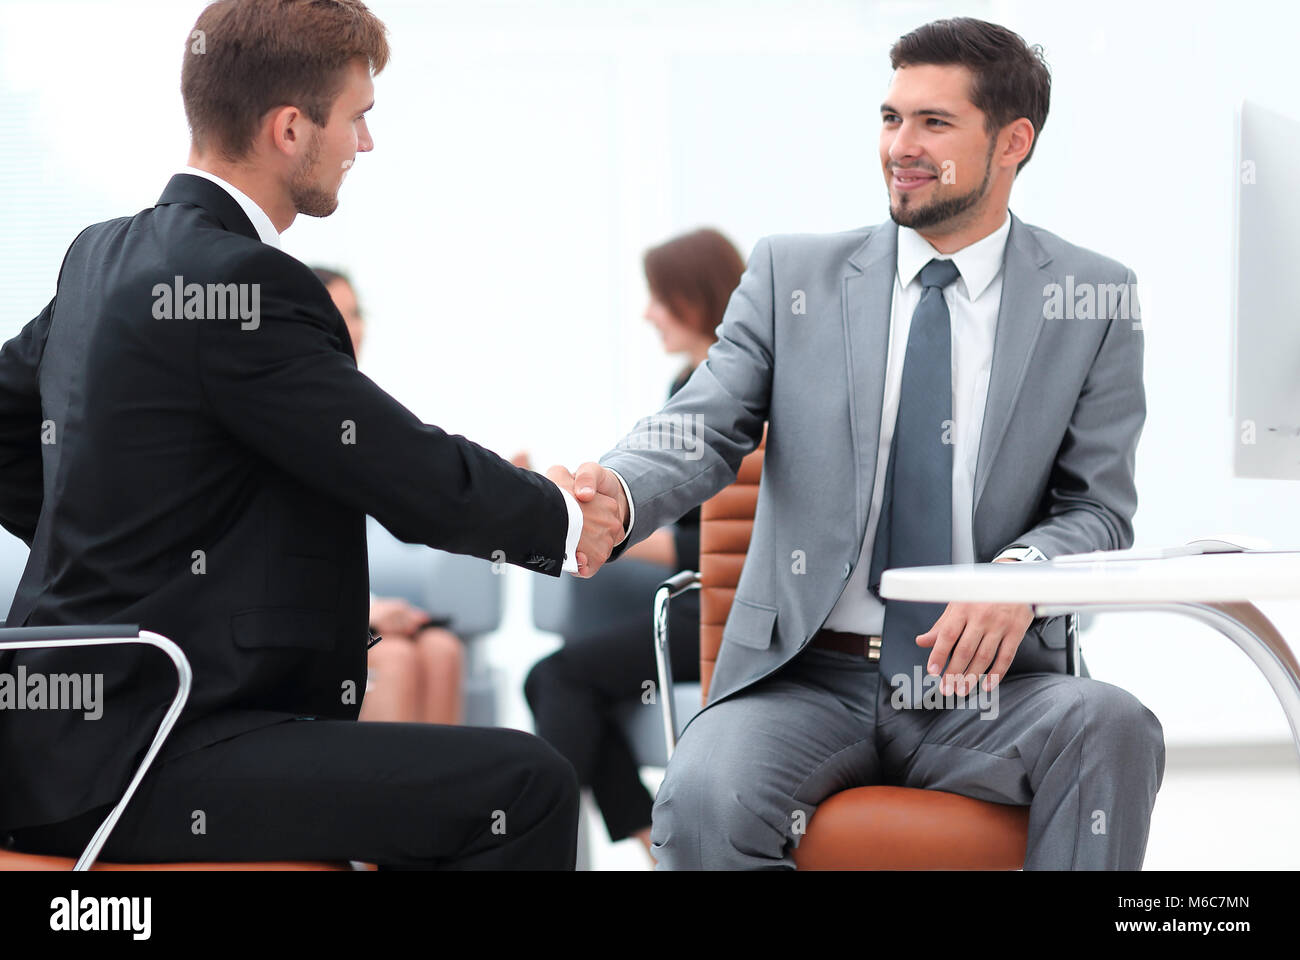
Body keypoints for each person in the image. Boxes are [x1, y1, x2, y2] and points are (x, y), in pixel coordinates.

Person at [0, 0, 625, 869]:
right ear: (290, 128)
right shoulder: (245, 280)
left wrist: (110, 553)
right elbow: (400, 466)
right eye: (358, 116)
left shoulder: (100, 256)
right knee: (525, 788)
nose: (363, 144)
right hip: (146, 751)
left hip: (52, 750)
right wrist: (561, 517)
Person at [554, 17, 1165, 870]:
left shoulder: (1093, 296)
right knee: (700, 800)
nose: (900, 147)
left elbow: (1096, 507)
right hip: (805, 678)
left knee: (1115, 728)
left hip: (988, 687)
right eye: (890, 118)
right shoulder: (790, 275)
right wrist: (618, 491)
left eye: (934, 123)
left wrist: (1022, 579)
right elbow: (702, 423)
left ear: (1013, 142)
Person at [525, 229, 745, 858]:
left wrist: (587, 528)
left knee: (557, 679)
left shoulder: (721, 392)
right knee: (561, 682)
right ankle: (659, 847)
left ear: (695, 296)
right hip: (702, 601)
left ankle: (582, 850)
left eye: (659, 297)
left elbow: (707, 547)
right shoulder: (693, 383)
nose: (648, 313)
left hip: (725, 607)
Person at [312, 266, 466, 726]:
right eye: (337, 315)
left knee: (442, 650)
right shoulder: (293, 414)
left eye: (356, 313)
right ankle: (383, 799)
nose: (352, 327)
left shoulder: (358, 412)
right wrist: (371, 612)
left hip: (356, 608)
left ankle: (448, 801)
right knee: (394, 659)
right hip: (309, 616)